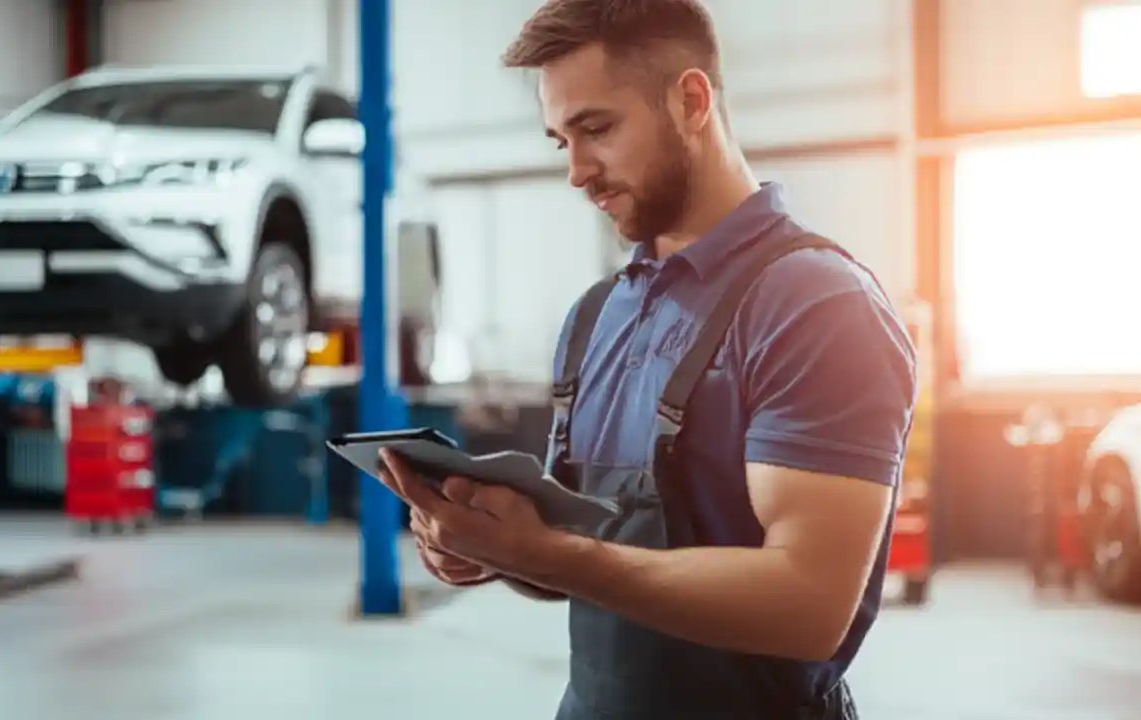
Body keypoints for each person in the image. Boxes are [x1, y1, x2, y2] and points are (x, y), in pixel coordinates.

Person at [375, 1, 917, 718]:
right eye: (559, 139)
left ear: (692, 100)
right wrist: (497, 547)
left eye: (596, 128)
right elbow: (587, 549)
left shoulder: (815, 305)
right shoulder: (598, 317)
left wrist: (548, 556)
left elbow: (810, 605)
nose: (575, 171)